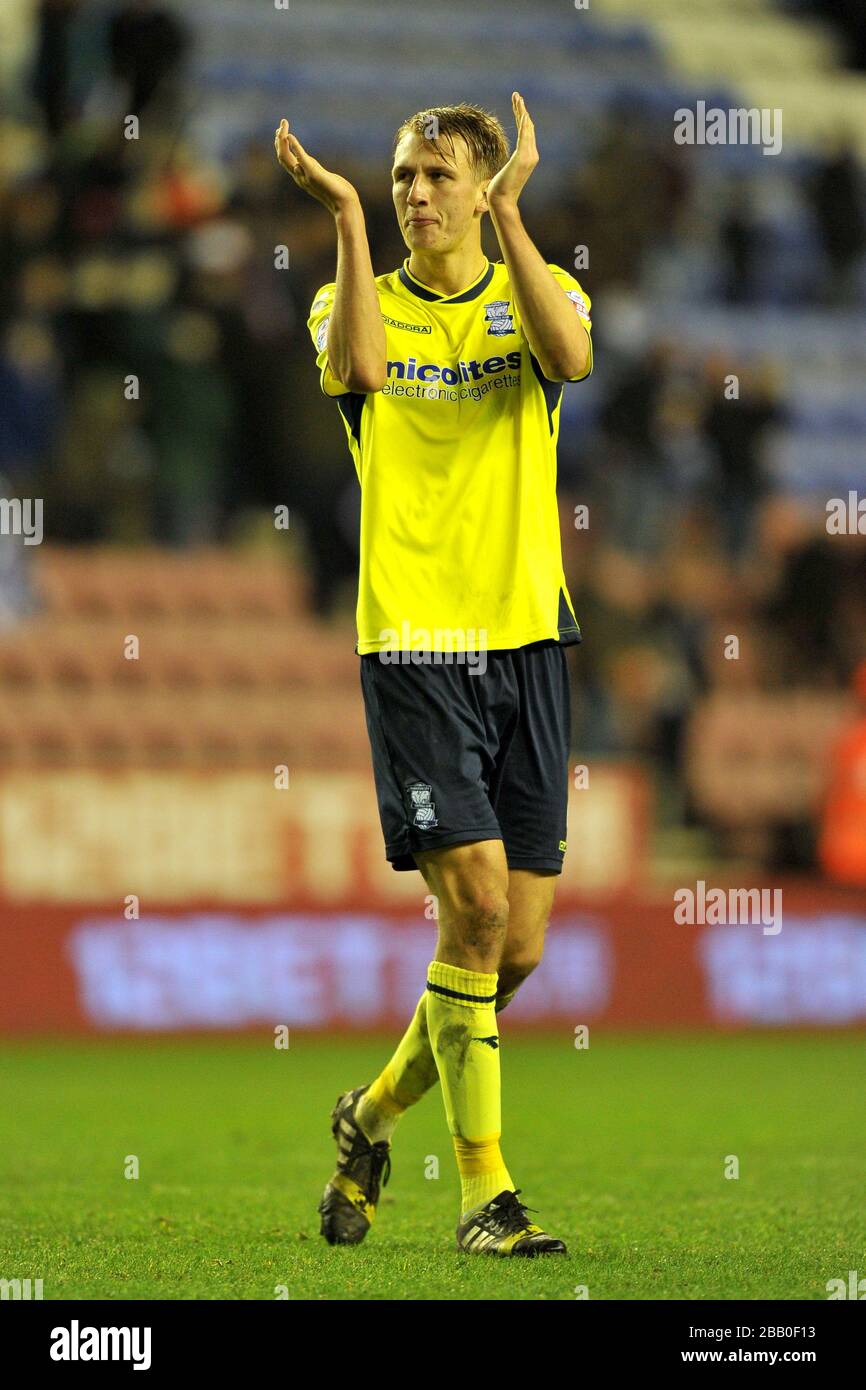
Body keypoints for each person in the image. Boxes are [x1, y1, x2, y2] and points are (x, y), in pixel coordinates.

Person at [276, 95, 593, 1256]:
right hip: (413, 643)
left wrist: (517, 217)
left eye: (437, 175)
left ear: (478, 190)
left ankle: (367, 1116)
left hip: (528, 639)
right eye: (404, 174)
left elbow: (571, 356)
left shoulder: (536, 291)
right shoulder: (348, 296)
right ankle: (485, 1192)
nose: (416, 191)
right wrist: (348, 215)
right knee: (473, 907)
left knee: (512, 952)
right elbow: (357, 365)